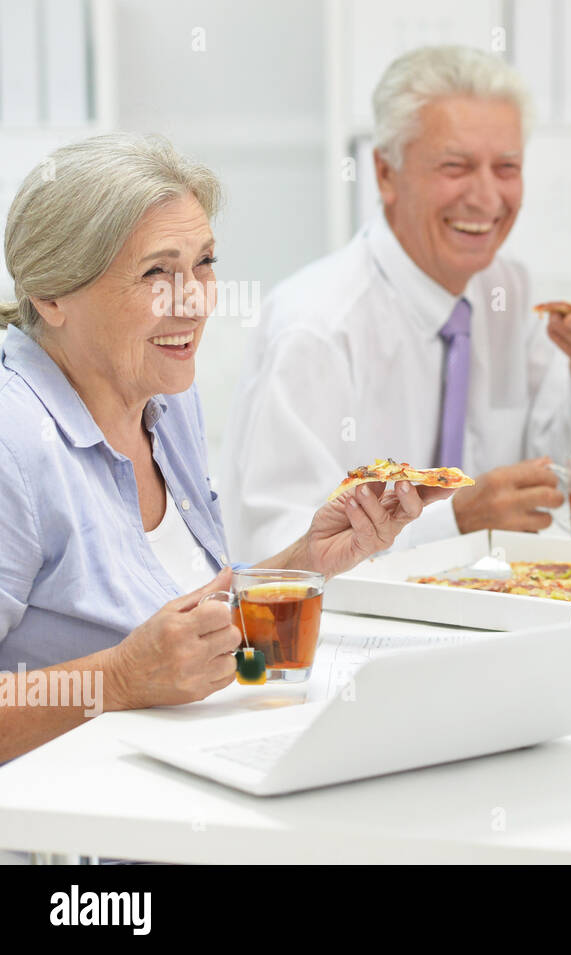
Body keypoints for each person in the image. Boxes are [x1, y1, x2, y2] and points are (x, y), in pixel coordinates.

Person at [0, 135, 458, 763]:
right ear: (52, 295)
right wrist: (118, 679)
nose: (193, 300)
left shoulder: (164, 395)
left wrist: (307, 560)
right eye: (157, 271)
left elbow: (193, 630)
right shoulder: (13, 443)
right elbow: (142, 667)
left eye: (204, 263)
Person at [221, 46, 571, 559]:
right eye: (456, 166)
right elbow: (275, 551)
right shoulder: (317, 327)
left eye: (506, 167)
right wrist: (453, 524)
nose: (487, 198)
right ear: (385, 174)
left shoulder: (510, 295)